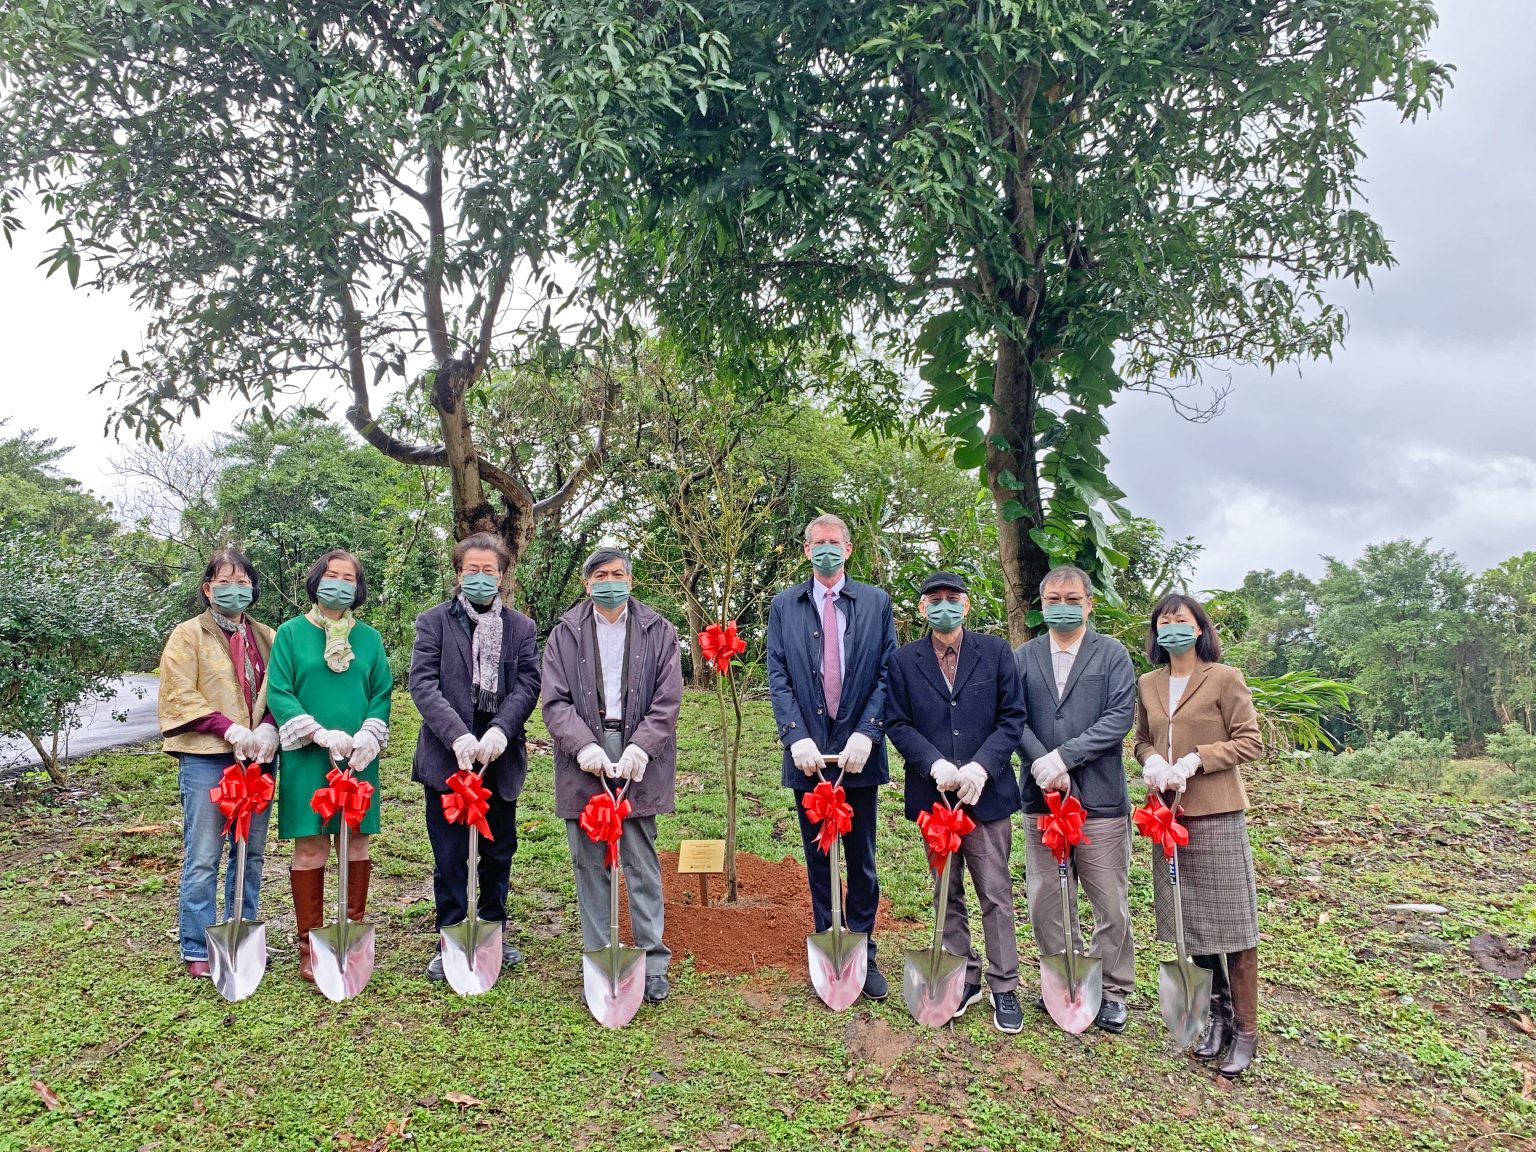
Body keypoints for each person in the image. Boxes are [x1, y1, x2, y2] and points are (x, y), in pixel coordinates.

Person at [884, 572, 1028, 1032]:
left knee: (995, 893)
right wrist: (934, 765)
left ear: (965, 606)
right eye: (934, 599)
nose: (943, 605)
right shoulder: (904, 661)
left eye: (952, 598)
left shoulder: (996, 653)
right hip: (936, 797)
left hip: (986, 796)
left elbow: (1012, 718)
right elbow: (898, 723)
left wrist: (981, 767)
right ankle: (964, 975)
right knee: (947, 893)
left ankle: (1004, 985)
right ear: (922, 609)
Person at [766, 513, 898, 1001]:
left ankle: (863, 945)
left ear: (848, 549)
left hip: (858, 752)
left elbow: (888, 671)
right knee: (819, 853)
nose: (825, 550)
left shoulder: (876, 603)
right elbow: (777, 674)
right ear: (806, 552)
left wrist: (869, 732)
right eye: (816, 543)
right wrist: (794, 736)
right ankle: (829, 937)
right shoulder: (785, 606)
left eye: (833, 543)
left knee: (861, 856)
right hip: (808, 752)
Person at [541, 547, 682, 1004]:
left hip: (642, 747)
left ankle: (652, 960)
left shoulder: (659, 630)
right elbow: (555, 702)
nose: (609, 581)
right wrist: (584, 747)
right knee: (589, 859)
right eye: (600, 575)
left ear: (631, 580)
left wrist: (642, 747)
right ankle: (599, 955)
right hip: (584, 749)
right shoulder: (564, 634)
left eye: (618, 574)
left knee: (640, 858)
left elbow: (667, 700)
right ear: (587, 584)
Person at [1133, 592, 1265, 1077]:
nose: (1171, 626)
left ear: (1199, 627)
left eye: (1180, 619)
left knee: (1234, 922)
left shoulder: (1223, 678)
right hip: (1168, 814)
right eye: (1163, 620)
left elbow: (1250, 740)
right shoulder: (1149, 683)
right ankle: (1216, 1018)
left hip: (1214, 811)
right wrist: (1151, 761)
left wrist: (1197, 759)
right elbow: (1142, 738)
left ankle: (1246, 1030)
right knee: (1192, 920)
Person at [408, 532, 540, 982]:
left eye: (491, 571)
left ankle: (492, 930)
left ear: (502, 576)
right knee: (448, 854)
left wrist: (502, 730)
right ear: (458, 573)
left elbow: (527, 684)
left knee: (498, 850)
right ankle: (450, 933)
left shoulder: (520, 628)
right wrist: (459, 737)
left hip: (499, 755)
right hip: (448, 755)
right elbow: (422, 684)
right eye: (473, 570)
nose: (482, 578)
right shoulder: (433, 623)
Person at [1013, 564, 1137, 1032]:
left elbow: (1118, 717)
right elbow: (1013, 716)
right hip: (1041, 795)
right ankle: (1060, 977)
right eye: (1052, 600)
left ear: (1088, 603)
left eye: (1071, 599)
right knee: (1047, 896)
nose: (1062, 607)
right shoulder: (1023, 656)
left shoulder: (1111, 655)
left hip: (1100, 797)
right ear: (1041, 605)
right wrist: (1041, 761)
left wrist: (1065, 758)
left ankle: (1110, 987)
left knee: (1109, 899)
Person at [265, 549, 393, 984]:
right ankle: (310, 944)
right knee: (311, 846)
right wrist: (318, 733)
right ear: (317, 580)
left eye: (348, 577)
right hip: (307, 753)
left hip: (359, 756)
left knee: (357, 842)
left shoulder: (370, 639)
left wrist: (369, 737)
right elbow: (279, 692)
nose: (339, 583)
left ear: (358, 588)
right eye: (331, 575)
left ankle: (350, 935)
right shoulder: (290, 633)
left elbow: (382, 692)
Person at [158, 549, 279, 978]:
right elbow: (179, 692)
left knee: (251, 851)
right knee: (205, 854)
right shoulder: (188, 634)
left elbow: (279, 688)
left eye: (243, 582)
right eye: (225, 581)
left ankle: (241, 932)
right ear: (208, 588)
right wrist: (228, 729)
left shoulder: (266, 634)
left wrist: (266, 728)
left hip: (259, 758)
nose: (235, 588)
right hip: (208, 756)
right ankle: (196, 945)